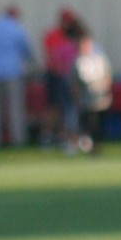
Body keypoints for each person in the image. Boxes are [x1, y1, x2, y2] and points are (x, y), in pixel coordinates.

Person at [0, 5, 35, 147]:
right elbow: (27, 50)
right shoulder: (17, 29)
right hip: (13, 71)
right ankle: (18, 139)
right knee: (15, 107)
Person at [68, 21, 113, 153]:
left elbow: (107, 76)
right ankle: (89, 144)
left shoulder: (99, 59)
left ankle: (96, 145)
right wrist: (76, 97)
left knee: (98, 124)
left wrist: (106, 91)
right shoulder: (78, 61)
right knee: (89, 123)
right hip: (86, 98)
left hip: (100, 97)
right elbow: (75, 82)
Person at [41, 10, 79, 148]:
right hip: (55, 75)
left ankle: (63, 137)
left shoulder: (72, 36)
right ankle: (47, 136)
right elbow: (53, 57)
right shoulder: (53, 35)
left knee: (66, 108)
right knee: (54, 108)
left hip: (66, 76)